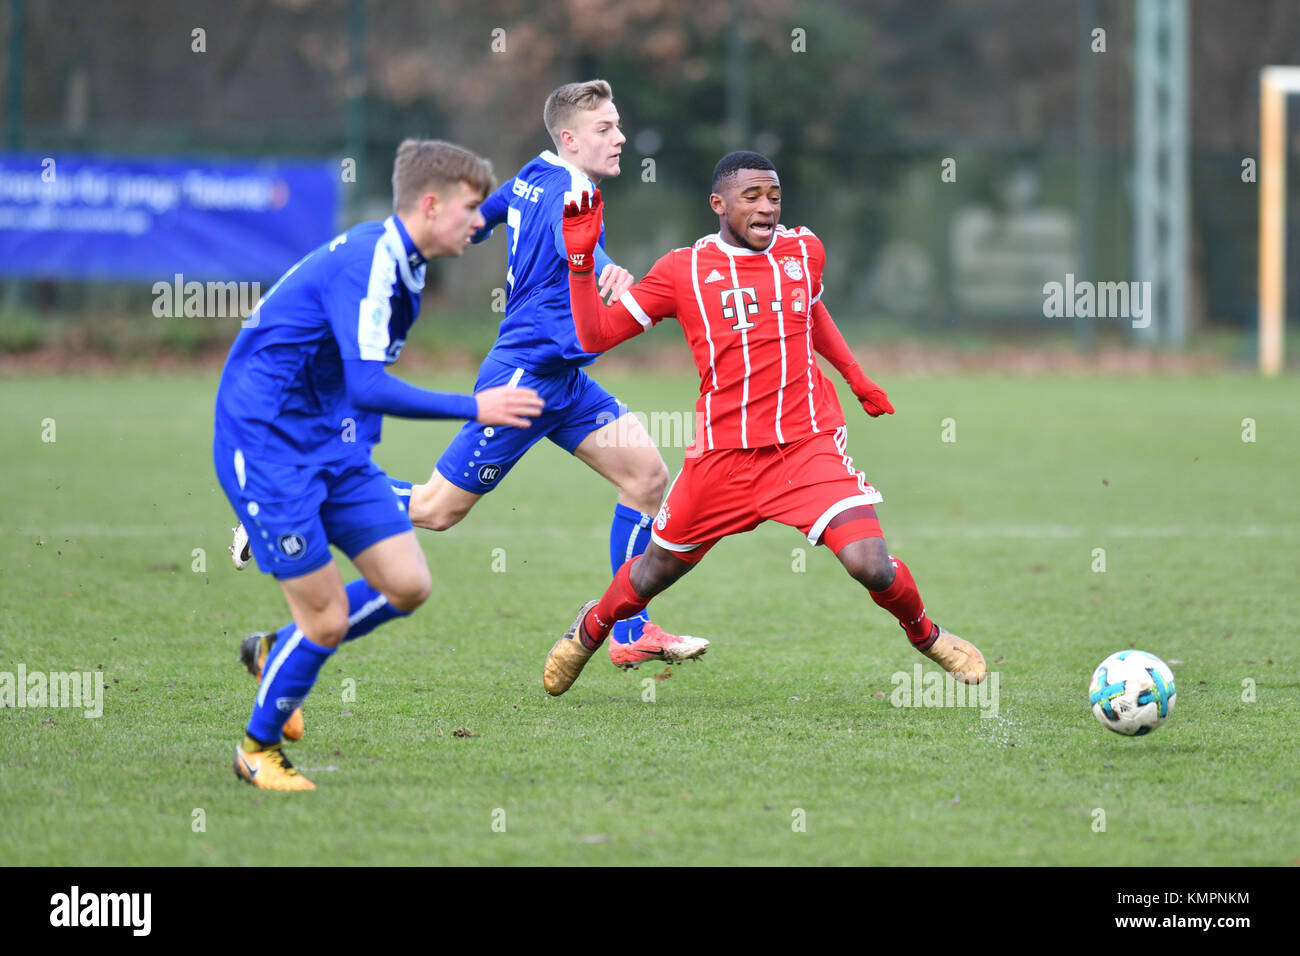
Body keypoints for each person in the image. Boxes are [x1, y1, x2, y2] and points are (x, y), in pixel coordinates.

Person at [542, 151, 987, 696]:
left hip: (805, 446)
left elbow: (811, 310)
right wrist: (582, 265)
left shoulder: (804, 250)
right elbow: (592, 338)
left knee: (870, 563)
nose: (767, 207)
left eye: (774, 196)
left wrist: (855, 377)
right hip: (722, 461)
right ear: (719, 203)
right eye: (751, 196)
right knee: (651, 574)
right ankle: (590, 629)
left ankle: (928, 636)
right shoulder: (681, 271)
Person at [213, 139, 543, 790]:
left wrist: (350, 467)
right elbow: (368, 384)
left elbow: (344, 381)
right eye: (473, 208)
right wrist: (476, 406)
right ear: (430, 204)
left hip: (324, 443)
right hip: (267, 443)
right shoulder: (370, 263)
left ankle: (277, 649)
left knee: (407, 584)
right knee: (328, 619)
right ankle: (257, 749)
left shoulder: (405, 266)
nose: (483, 221)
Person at [396, 79, 708, 669]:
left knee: (644, 476)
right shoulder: (569, 191)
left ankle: (628, 630)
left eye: (617, 125)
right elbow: (567, 246)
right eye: (604, 129)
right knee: (438, 511)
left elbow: (482, 222)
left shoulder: (535, 176)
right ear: (569, 138)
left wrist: (602, 267)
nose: (619, 139)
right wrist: (603, 270)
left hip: (563, 381)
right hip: (524, 381)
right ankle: (300, 499)